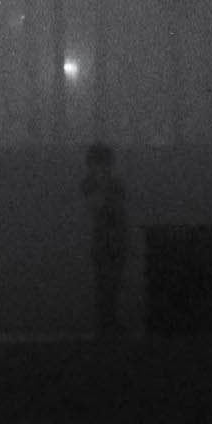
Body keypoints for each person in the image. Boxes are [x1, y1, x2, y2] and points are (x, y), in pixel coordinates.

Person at [79, 143, 131, 340]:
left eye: (107, 163)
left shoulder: (113, 184)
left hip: (115, 236)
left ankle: (110, 321)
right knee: (104, 282)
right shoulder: (90, 184)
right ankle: (105, 323)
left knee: (113, 281)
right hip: (103, 238)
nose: (106, 167)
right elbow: (99, 206)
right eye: (103, 162)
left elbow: (118, 208)